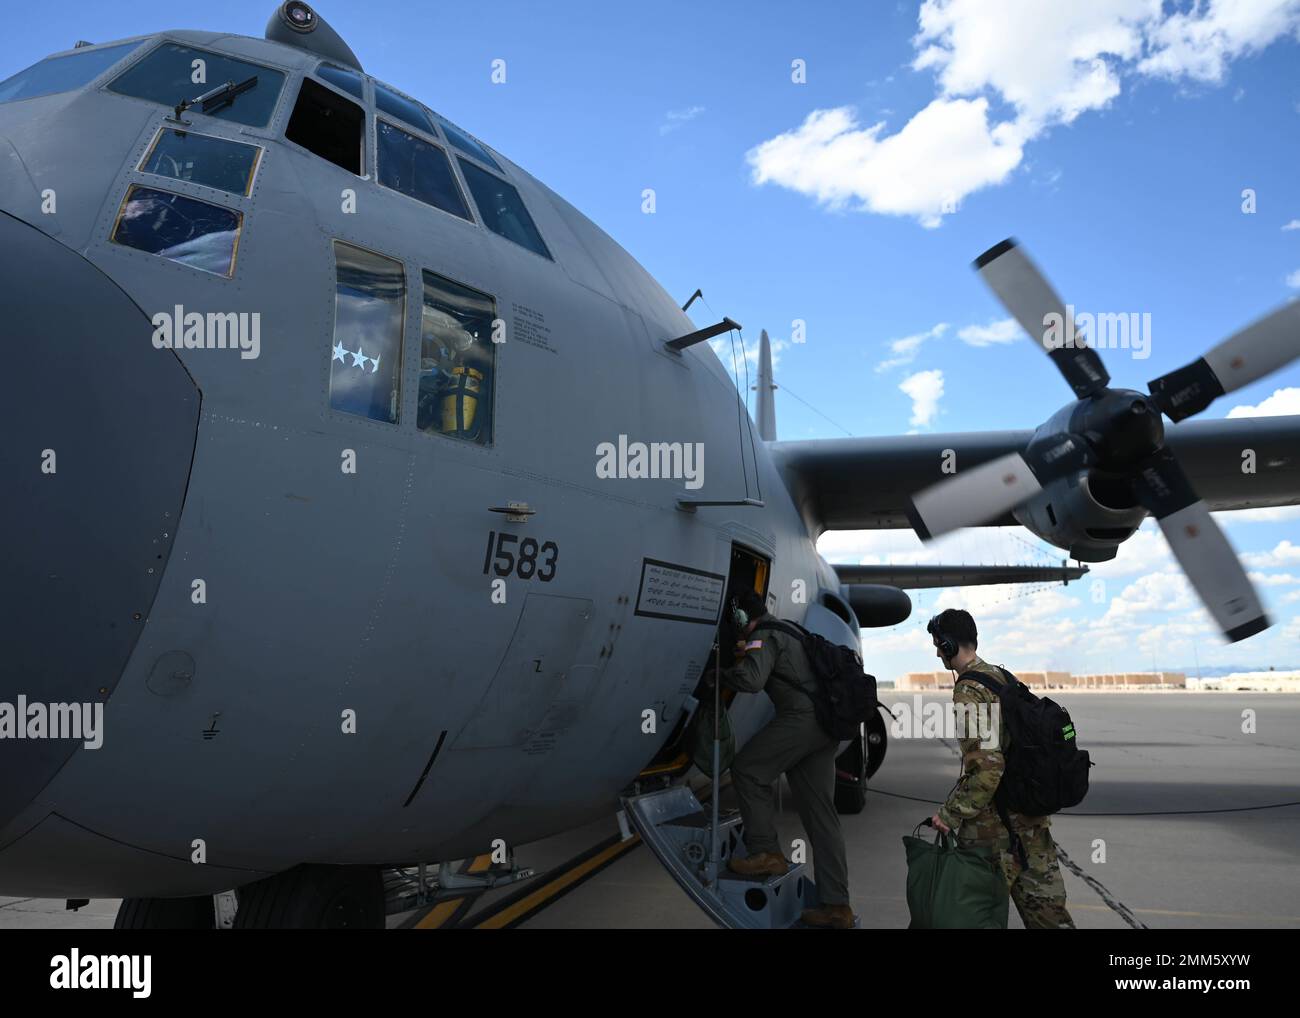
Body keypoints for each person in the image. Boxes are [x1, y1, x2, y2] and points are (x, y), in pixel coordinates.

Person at [927, 608, 1075, 929]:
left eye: (939, 645)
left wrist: (950, 814)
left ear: (950, 646)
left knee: (973, 918)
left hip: (992, 833)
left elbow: (988, 766)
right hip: (1030, 820)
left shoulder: (969, 690)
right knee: (1049, 917)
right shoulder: (1001, 677)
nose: (938, 652)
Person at [719, 588, 855, 930]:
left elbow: (751, 680)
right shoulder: (790, 628)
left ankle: (766, 852)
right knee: (822, 817)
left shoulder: (762, 635)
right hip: (826, 724)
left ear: (740, 619)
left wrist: (719, 675)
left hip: (801, 719)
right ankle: (837, 907)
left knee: (748, 769)